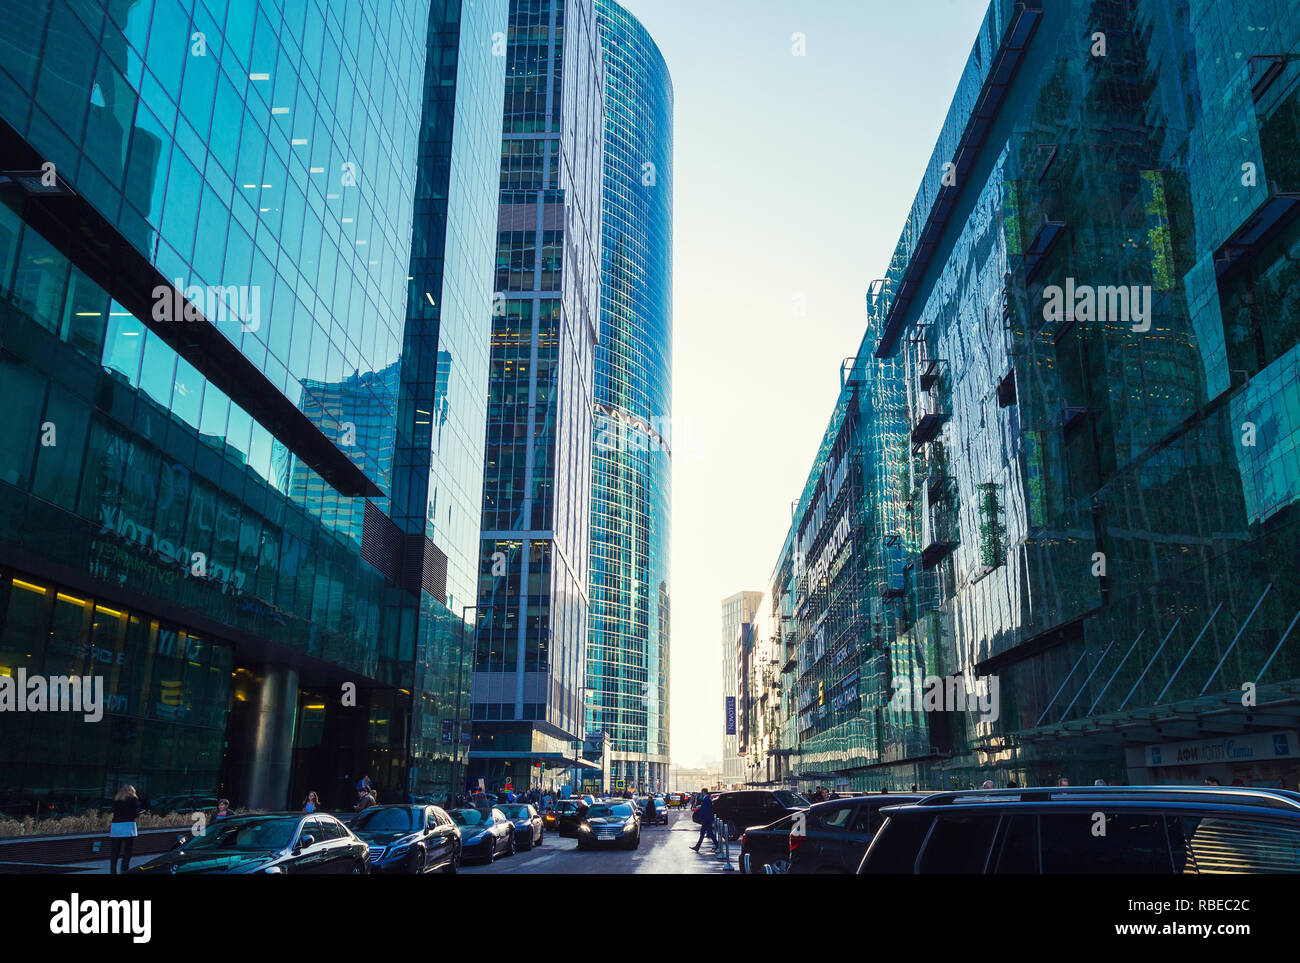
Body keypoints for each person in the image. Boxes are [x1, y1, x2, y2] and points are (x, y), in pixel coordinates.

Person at [108, 784, 144, 874]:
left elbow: (114, 812)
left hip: (116, 826)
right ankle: (124, 869)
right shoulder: (133, 800)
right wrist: (140, 813)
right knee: (128, 850)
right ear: (132, 791)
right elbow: (135, 813)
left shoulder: (116, 800)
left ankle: (113, 871)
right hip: (128, 826)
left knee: (115, 851)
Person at [691, 788, 716, 852]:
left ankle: (717, 844)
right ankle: (697, 847)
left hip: (706, 819)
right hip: (706, 819)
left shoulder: (706, 799)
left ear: (704, 792)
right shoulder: (706, 798)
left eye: (702, 792)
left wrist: (703, 818)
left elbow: (706, 810)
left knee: (709, 833)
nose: (701, 793)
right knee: (703, 833)